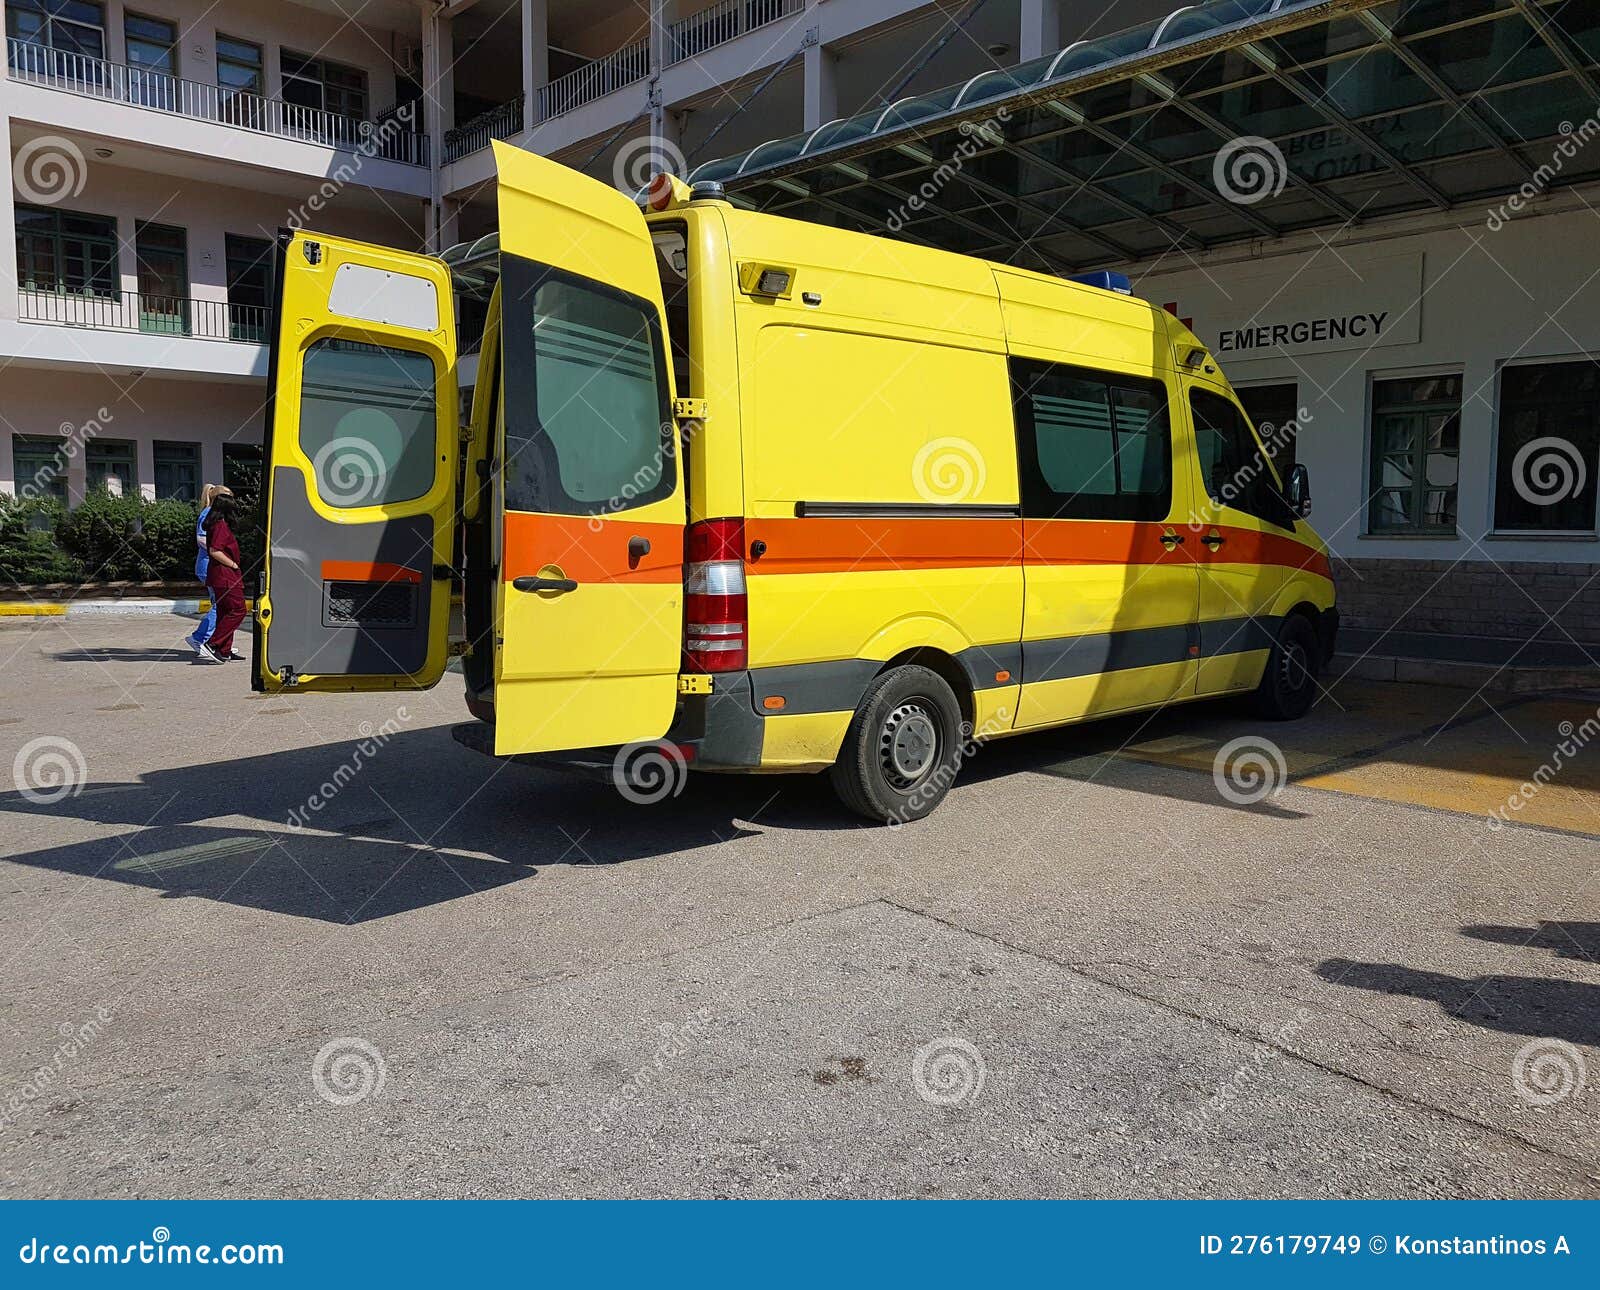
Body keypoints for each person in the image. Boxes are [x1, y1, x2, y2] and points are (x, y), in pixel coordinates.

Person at [197, 492, 246, 664]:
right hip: (225, 575)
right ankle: (213, 644)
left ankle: (224, 650)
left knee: (225, 611)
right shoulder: (220, 526)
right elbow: (214, 550)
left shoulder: (215, 524)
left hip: (219, 575)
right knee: (238, 610)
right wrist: (233, 564)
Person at [184, 484, 231, 654]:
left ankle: (218, 642)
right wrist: (221, 552)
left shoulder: (216, 514)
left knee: (220, 604)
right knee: (221, 604)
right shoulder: (208, 514)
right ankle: (200, 638)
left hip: (211, 564)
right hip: (209, 565)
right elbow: (200, 539)